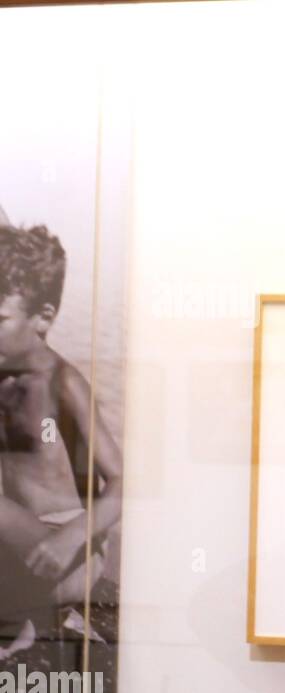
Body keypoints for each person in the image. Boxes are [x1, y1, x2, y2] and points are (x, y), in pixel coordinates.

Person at [0, 224, 123, 643]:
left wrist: (73, 537)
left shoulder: (62, 383)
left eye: (0, 319)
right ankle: (28, 623)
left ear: (43, 319)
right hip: (21, 547)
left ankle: (38, 616)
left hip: (66, 552)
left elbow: (123, 483)